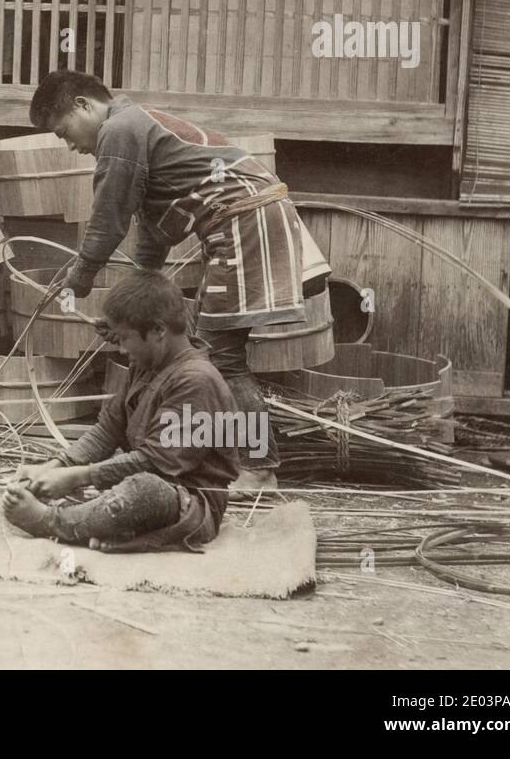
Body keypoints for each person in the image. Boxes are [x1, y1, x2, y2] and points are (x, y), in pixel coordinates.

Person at [27, 69, 331, 493]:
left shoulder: (120, 128)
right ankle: (244, 461)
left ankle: (260, 468)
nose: (71, 146)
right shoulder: (139, 129)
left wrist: (78, 279)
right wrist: (129, 312)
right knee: (213, 351)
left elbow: (108, 220)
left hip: (243, 223)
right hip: (241, 224)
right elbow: (152, 239)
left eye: (63, 132)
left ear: (83, 105)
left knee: (221, 357)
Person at [2, 270, 241, 551]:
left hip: (189, 504)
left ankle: (53, 523)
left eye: (125, 339)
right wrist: (56, 466)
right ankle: (107, 529)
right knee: (129, 490)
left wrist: (78, 476)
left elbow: (155, 462)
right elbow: (108, 430)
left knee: (144, 491)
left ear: (158, 330)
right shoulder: (146, 364)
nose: (122, 350)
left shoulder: (197, 380)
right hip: (144, 482)